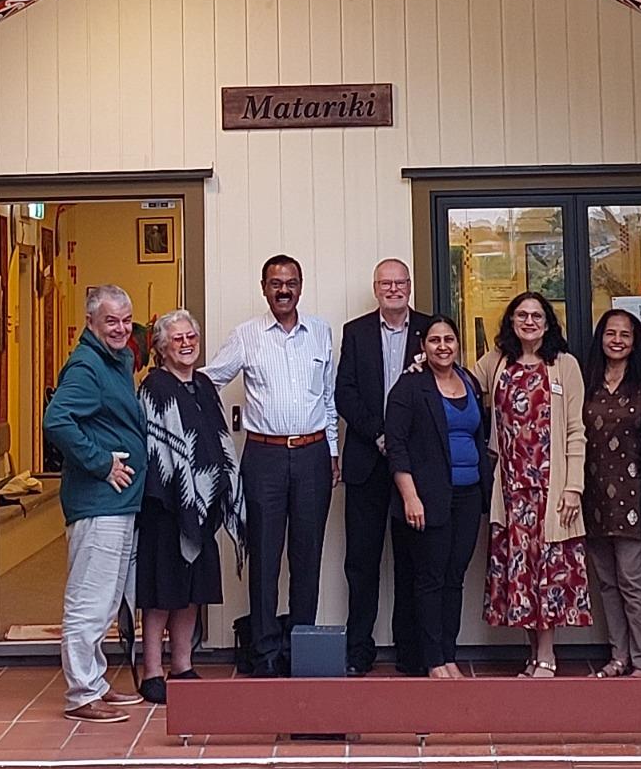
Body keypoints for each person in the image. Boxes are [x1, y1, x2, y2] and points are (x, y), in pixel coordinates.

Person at [204, 255, 336, 677]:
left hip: (314, 455)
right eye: (276, 283)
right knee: (263, 557)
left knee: (307, 556)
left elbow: (328, 399)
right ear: (264, 287)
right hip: (264, 458)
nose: (284, 290)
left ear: (301, 286)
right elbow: (208, 380)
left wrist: (332, 452)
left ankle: (302, 650)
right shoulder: (246, 335)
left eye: (291, 282)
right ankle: (262, 654)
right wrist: (171, 382)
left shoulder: (320, 332)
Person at [42, 285, 148, 722]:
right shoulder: (87, 365)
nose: (122, 328)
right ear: (91, 323)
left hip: (119, 501)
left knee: (105, 600)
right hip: (98, 500)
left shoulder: (116, 359)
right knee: (89, 598)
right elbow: (56, 420)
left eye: (126, 320)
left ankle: (96, 683)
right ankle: (82, 693)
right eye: (111, 321)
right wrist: (101, 463)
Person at [477, 292, 592, 676]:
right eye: (521, 315)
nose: (529, 321)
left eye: (536, 315)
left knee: (548, 571)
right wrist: (422, 364)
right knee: (520, 571)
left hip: (551, 486)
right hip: (510, 489)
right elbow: (455, 379)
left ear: (548, 322)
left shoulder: (564, 365)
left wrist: (573, 486)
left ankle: (547, 654)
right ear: (511, 321)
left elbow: (576, 429)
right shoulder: (497, 363)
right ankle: (532, 653)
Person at [135, 310, 246, 703]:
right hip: (166, 504)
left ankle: (182, 665)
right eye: (177, 339)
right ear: (162, 347)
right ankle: (152, 672)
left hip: (203, 506)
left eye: (191, 337)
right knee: (163, 590)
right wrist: (185, 491)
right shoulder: (155, 386)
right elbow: (158, 447)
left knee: (192, 589)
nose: (186, 344)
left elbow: (217, 437)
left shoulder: (202, 383)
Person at [335, 258, 432, 675]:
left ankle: (412, 653)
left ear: (410, 286)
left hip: (415, 466)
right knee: (361, 563)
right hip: (367, 465)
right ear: (375, 288)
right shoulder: (355, 333)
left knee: (413, 561)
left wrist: (401, 445)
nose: (393, 289)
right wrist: (380, 436)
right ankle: (359, 651)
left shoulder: (430, 331)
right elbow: (345, 393)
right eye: (385, 283)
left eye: (400, 282)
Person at [383, 316, 489, 678]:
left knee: (454, 578)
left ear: (458, 344)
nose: (442, 346)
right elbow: (396, 446)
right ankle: (432, 661)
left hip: (468, 495)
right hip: (427, 499)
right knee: (429, 579)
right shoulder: (409, 388)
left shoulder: (470, 382)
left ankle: (449, 653)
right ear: (423, 348)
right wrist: (410, 497)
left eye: (449, 339)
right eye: (434, 340)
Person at [582, 309, 641, 679]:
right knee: (608, 584)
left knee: (634, 583)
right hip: (592, 495)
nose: (617, 340)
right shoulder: (588, 380)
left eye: (625, 334)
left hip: (636, 496)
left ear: (635, 340)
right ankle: (619, 656)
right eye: (610, 333)